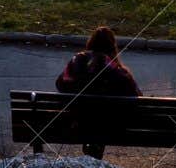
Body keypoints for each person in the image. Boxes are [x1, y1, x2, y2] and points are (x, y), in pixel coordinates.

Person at [56, 25, 141, 160]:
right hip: (108, 125)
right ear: (112, 46)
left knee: (90, 112)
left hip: (78, 121)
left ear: (91, 42)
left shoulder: (78, 59)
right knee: (103, 114)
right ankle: (95, 148)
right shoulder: (113, 67)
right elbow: (135, 94)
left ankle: (91, 145)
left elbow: (61, 84)